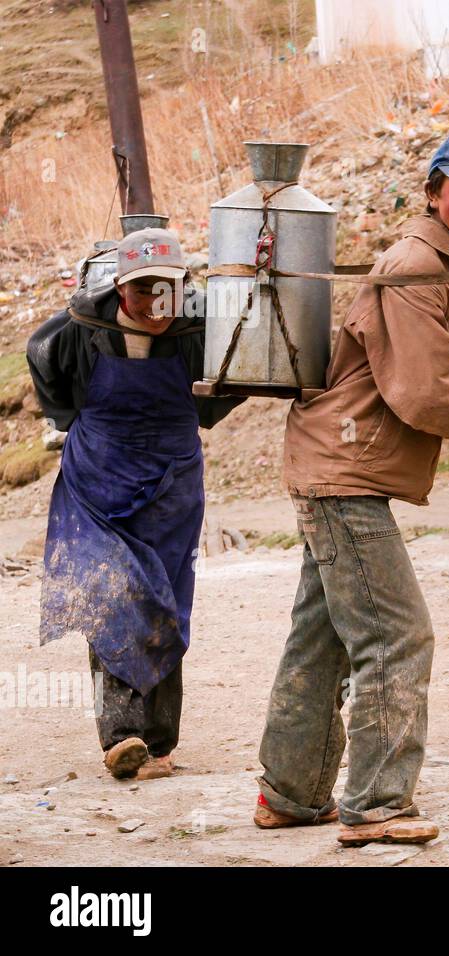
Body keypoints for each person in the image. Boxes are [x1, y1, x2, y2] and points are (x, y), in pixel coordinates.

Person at [255, 132, 449, 846]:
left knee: (322, 639)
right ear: (435, 191)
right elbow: (422, 392)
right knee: (398, 634)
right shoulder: (414, 267)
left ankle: (289, 793)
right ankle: (375, 805)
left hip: (343, 468)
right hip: (342, 472)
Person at [26, 228, 243, 781]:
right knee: (110, 593)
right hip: (97, 478)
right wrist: (66, 421)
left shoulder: (200, 330)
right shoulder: (80, 328)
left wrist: (208, 413)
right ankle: (122, 737)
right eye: (141, 290)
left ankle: (161, 742)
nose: (154, 304)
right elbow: (40, 357)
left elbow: (238, 376)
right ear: (120, 287)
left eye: (166, 289)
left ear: (183, 287)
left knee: (164, 603)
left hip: (171, 485)